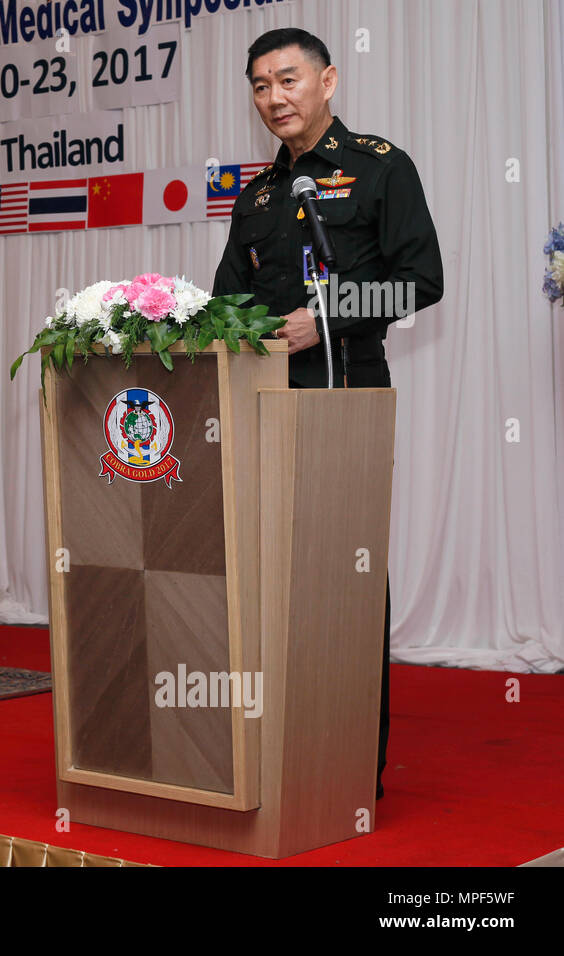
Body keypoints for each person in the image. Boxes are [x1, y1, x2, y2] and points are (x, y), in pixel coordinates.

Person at [212, 28, 444, 796]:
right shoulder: (258, 195)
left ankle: (347, 763)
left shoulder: (378, 168)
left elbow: (421, 281)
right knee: (265, 573)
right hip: (262, 402)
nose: (273, 97)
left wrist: (329, 316)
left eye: (286, 80)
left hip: (346, 390)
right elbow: (224, 306)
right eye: (258, 86)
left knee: (341, 577)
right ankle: (273, 746)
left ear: (328, 81)